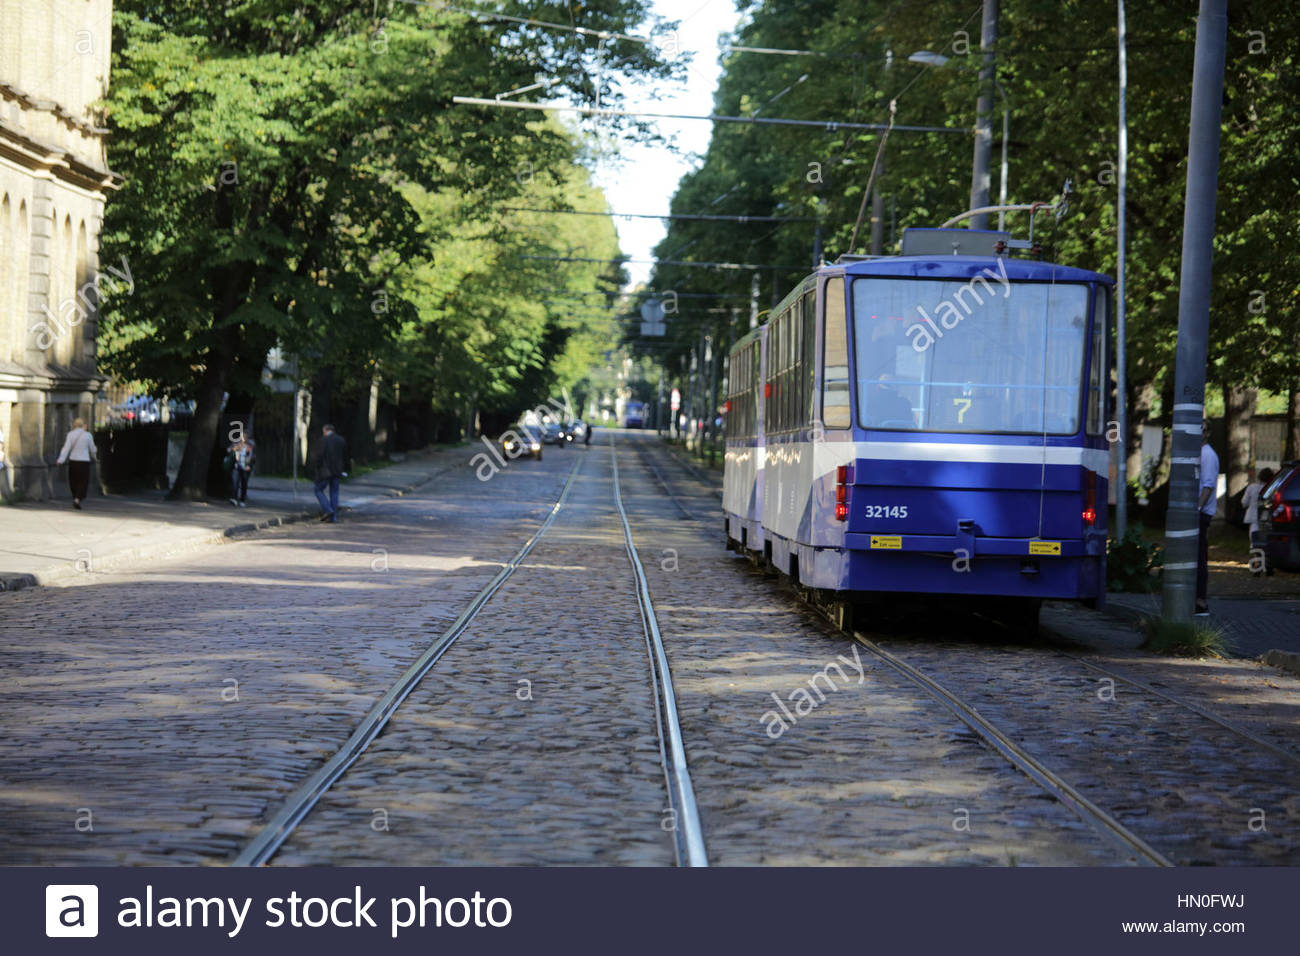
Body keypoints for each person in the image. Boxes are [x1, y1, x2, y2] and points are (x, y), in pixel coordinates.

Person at [1195, 423, 1219, 616]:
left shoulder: (1207, 455)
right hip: (1199, 512)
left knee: (1199, 555)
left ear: (1207, 433)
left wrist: (1198, 507)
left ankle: (1200, 601)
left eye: (1202, 429)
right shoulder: (1200, 453)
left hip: (1201, 513)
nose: (1198, 433)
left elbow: (1208, 485)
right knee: (1196, 555)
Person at [55, 417, 97, 510]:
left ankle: (75, 497)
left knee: (73, 480)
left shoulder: (70, 434)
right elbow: (92, 449)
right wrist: (95, 457)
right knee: (83, 481)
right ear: (83, 425)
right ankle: (78, 498)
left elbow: (66, 448)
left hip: (73, 461)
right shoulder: (88, 435)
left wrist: (60, 460)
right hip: (84, 461)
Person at [312, 424, 348, 523]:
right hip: (337, 471)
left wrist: (317, 467)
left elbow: (319, 457)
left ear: (325, 430)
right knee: (334, 493)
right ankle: (333, 517)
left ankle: (328, 510)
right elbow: (346, 456)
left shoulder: (323, 440)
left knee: (318, 490)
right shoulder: (341, 440)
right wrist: (345, 470)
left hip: (325, 471)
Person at [227, 435, 256, 508]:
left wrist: (249, 464)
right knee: (235, 483)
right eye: (242, 437)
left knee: (244, 484)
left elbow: (252, 456)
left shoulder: (250, 445)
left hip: (245, 468)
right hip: (236, 467)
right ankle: (234, 499)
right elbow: (228, 450)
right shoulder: (236, 444)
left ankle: (242, 500)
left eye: (245, 437)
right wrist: (233, 449)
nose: (243, 438)